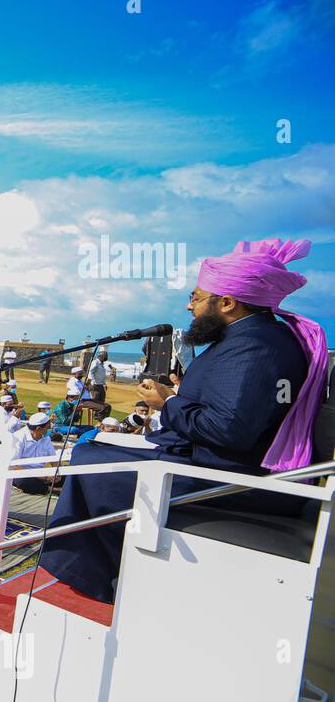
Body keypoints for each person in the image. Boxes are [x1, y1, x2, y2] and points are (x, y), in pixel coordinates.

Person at [40, 238, 322, 603]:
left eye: (196, 297)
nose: (189, 305)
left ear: (227, 302)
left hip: (233, 478)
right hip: (219, 463)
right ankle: (95, 568)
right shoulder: (257, 338)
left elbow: (228, 430)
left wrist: (169, 402)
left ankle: (105, 577)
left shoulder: (253, 346)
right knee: (91, 450)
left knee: (91, 462)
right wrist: (180, 394)